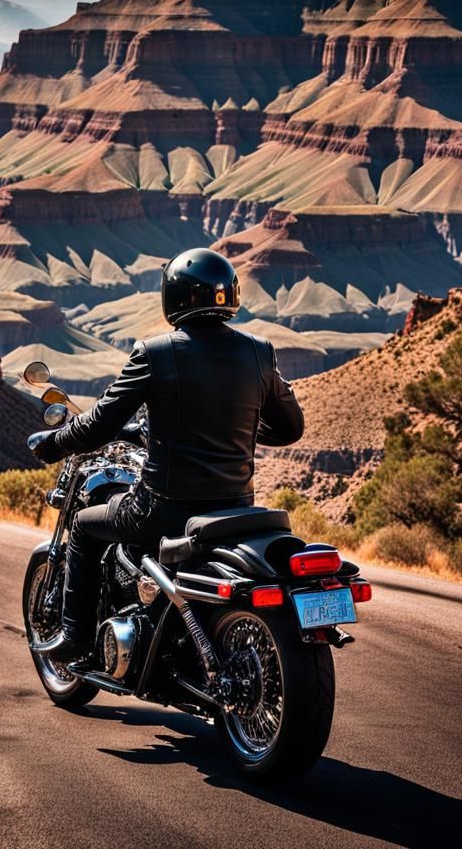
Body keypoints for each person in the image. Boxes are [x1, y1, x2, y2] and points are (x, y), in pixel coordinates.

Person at [30, 247, 305, 663]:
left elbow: (101, 423)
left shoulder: (155, 353)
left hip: (163, 510)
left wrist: (54, 443)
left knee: (84, 527)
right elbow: (290, 428)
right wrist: (236, 426)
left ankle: (74, 638)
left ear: (172, 297)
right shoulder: (258, 352)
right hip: (235, 509)